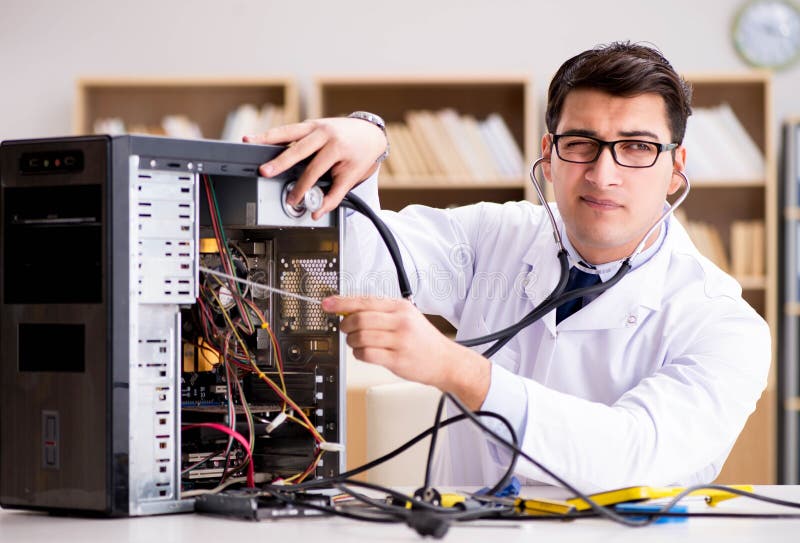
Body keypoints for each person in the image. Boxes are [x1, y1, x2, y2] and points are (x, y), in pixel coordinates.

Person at [243, 41, 770, 492]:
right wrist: (364, 146)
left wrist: (460, 371)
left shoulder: (723, 324)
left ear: (676, 169)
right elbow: (365, 272)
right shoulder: (496, 236)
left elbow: (634, 455)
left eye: (636, 147)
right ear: (549, 152)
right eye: (581, 144)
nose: (603, 173)